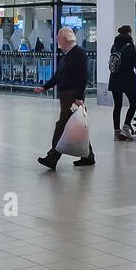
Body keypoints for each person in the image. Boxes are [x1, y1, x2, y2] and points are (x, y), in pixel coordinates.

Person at [34, 27, 93, 169]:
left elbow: (83, 77)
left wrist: (79, 97)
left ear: (66, 39)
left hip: (72, 95)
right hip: (66, 94)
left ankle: (52, 157)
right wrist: (45, 87)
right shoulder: (67, 54)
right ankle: (89, 156)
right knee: (76, 125)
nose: (57, 41)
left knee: (62, 125)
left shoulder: (78, 54)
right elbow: (58, 75)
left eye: (59, 38)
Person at [106, 25, 136, 142]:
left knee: (117, 106)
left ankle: (116, 132)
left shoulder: (114, 46)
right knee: (134, 102)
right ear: (129, 33)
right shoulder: (130, 47)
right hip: (128, 79)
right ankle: (126, 127)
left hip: (114, 78)